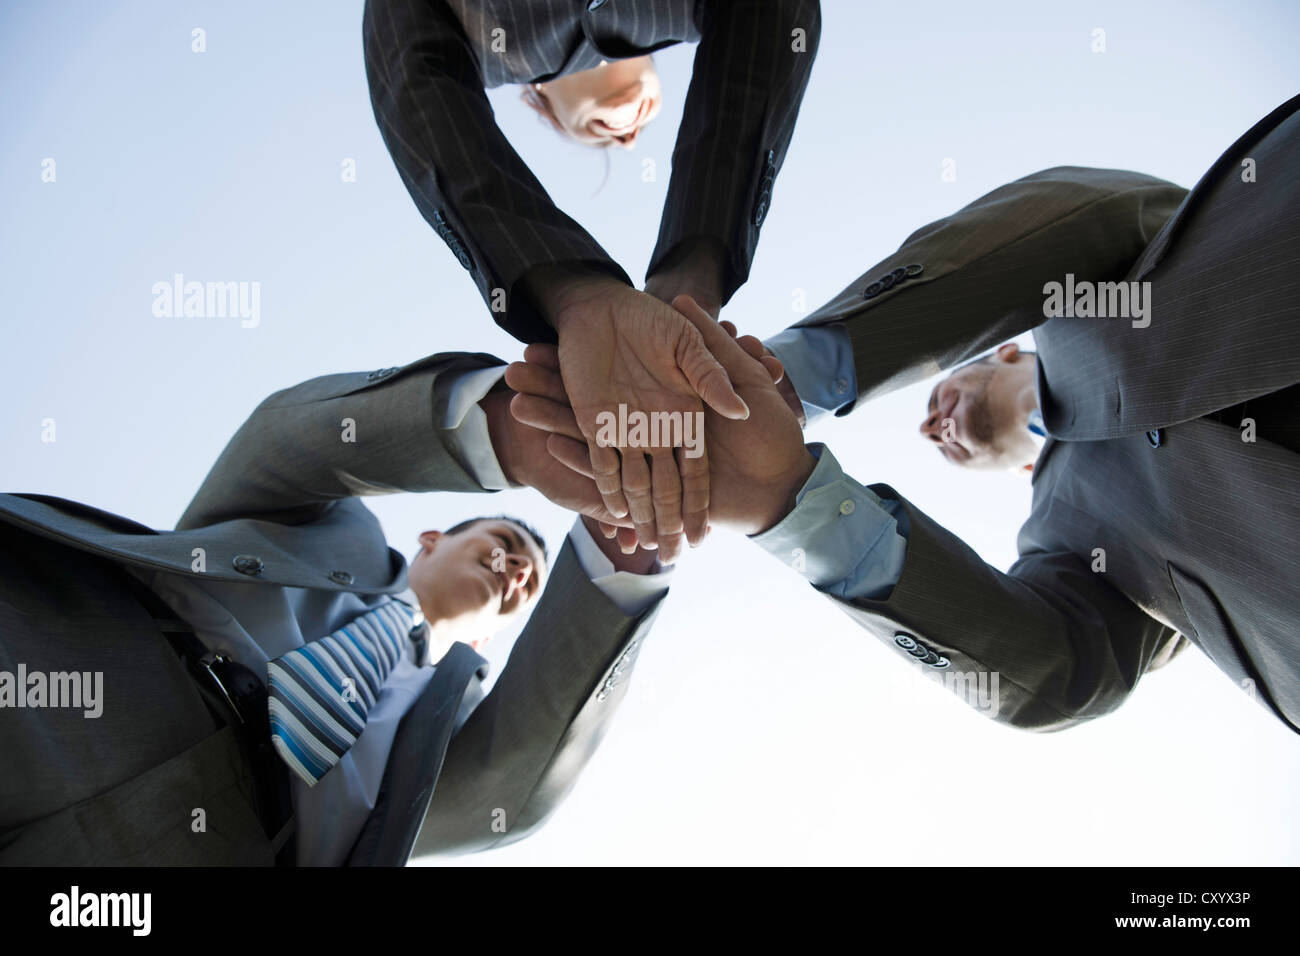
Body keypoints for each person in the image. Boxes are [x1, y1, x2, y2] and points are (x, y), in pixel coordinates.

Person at [517, 93, 1300, 734]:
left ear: (1001, 351)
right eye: (934, 435)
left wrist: (788, 381)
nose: (932, 426)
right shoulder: (1067, 535)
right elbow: (1055, 677)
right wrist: (788, 502)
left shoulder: (1081, 298)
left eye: (932, 401)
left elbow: (1101, 216)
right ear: (1018, 471)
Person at [0, 349, 670, 866]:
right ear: (432, 539)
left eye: (531, 582)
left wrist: (624, 543)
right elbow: (284, 446)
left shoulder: (453, 720)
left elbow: (516, 780)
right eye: (505, 539)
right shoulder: (328, 529)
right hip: (82, 660)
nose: (520, 567)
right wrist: (514, 438)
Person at [364, 0, 822, 561]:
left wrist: (574, 293)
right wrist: (693, 270)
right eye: (631, 134)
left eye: (604, 138)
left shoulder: (480, 37)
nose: (627, 138)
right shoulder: (671, 12)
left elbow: (412, 77)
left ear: (542, 104)